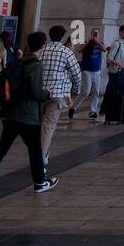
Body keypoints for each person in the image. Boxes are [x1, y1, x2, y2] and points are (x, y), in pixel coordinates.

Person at [0, 30, 57, 199]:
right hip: (27, 116)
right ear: (43, 46)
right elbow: (35, 92)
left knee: (1, 149)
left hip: (10, 112)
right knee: (35, 149)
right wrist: (47, 93)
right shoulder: (35, 64)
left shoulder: (19, 61)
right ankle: (40, 182)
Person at [39, 24, 81, 166]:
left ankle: (40, 152)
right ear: (62, 37)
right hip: (56, 95)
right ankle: (41, 157)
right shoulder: (66, 52)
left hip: (39, 93)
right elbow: (76, 73)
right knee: (48, 126)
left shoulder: (42, 50)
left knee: (39, 125)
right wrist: (76, 91)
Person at [69, 27, 106, 120]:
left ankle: (93, 111)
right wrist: (89, 41)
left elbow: (104, 49)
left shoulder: (100, 43)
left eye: (96, 33)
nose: (95, 35)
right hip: (87, 71)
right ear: (90, 34)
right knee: (86, 91)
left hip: (97, 71)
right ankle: (73, 107)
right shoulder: (86, 42)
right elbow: (79, 49)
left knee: (96, 92)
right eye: (93, 33)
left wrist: (96, 41)